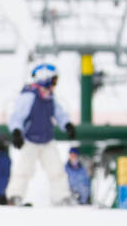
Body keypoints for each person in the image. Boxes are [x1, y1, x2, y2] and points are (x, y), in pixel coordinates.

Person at [6, 63, 76, 206]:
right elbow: (16, 117)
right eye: (54, 80)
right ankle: (15, 195)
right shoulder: (29, 96)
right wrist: (17, 131)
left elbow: (59, 113)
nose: (55, 84)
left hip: (47, 140)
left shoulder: (49, 97)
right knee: (23, 170)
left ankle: (61, 197)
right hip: (30, 140)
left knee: (56, 169)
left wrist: (67, 124)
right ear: (45, 78)